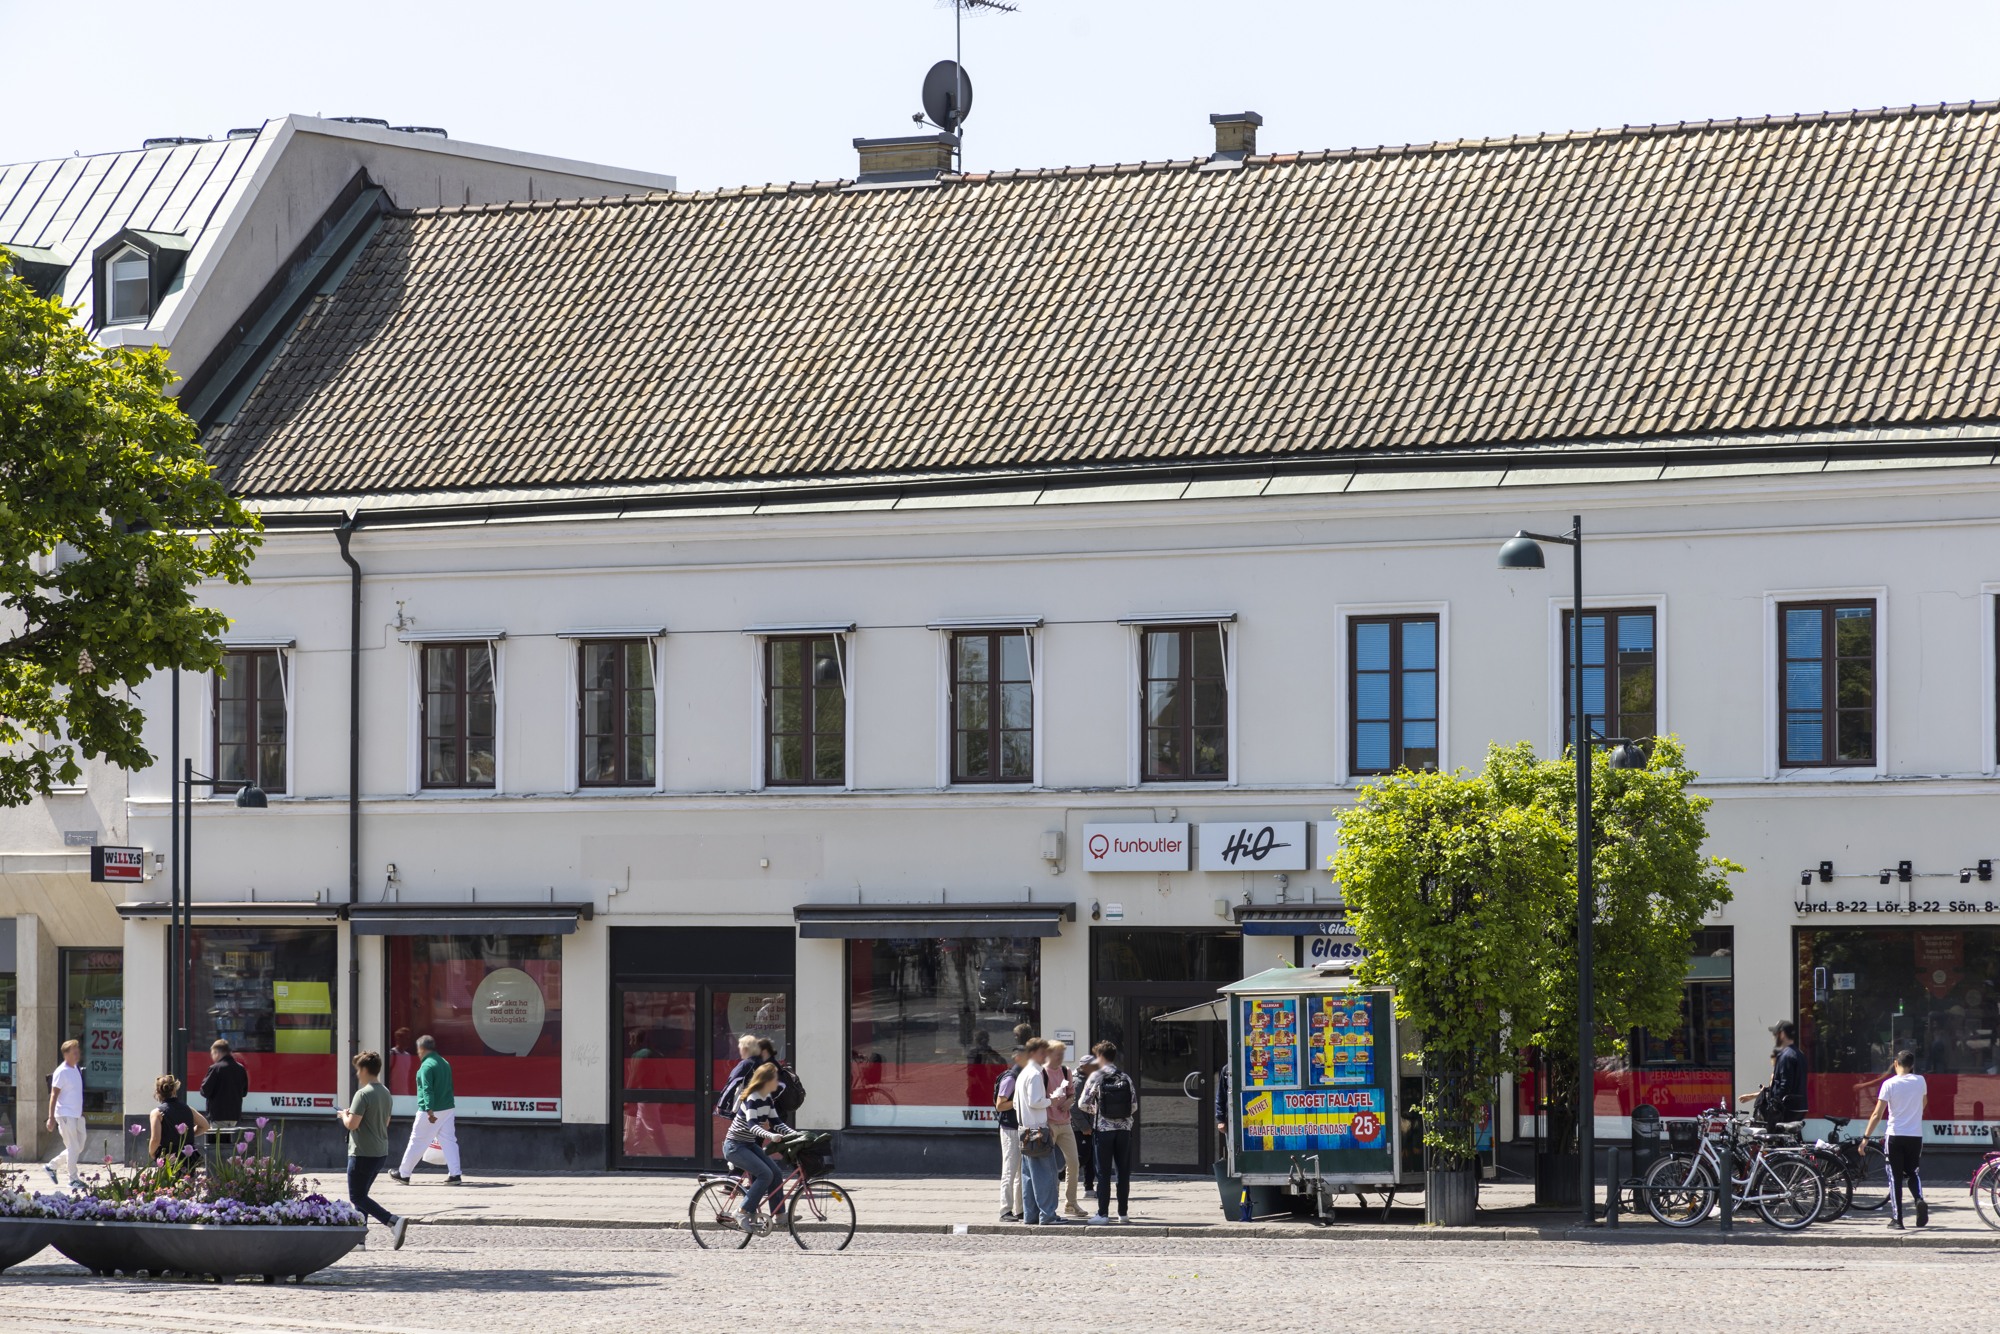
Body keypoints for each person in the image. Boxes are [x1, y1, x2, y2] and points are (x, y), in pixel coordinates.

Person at [336, 1051, 408, 1250]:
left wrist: (343, 1115)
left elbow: (352, 1124)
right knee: (363, 1195)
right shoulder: (385, 1092)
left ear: (365, 1070)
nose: (357, 1074)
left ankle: (392, 1221)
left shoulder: (363, 1094)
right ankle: (359, 1240)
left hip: (362, 1151)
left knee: (357, 1196)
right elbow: (385, 1122)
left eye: (358, 1070)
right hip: (380, 1151)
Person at [723, 1062, 793, 1232]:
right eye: (775, 1079)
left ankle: (779, 1215)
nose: (777, 1083)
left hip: (748, 1144)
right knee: (765, 1174)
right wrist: (771, 1136)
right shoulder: (752, 1098)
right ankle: (742, 1211)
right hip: (735, 1146)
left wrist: (796, 1134)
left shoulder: (767, 1098)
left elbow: (777, 1122)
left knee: (775, 1172)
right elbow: (753, 1125)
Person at [1862, 1050, 1928, 1229]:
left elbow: (1877, 1113)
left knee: (1895, 1177)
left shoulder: (1888, 1084)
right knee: (1913, 1172)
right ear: (1912, 1065)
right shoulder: (1920, 1081)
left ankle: (1897, 1219)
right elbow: (1924, 1103)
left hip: (1895, 1135)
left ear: (1895, 1063)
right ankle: (1919, 1199)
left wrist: (1866, 1137)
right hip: (1915, 1135)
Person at [1080, 1040, 1137, 1224]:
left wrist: (1099, 1112)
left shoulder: (1096, 1076)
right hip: (1124, 1130)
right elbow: (1134, 1106)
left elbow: (1083, 1103)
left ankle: (1102, 1214)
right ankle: (1123, 1214)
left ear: (1101, 1057)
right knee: (1123, 1172)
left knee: (1103, 1173)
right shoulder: (1125, 1077)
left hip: (1103, 1131)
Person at [393, 1035, 460, 1184]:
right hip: (447, 1108)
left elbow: (427, 1090)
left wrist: (429, 1110)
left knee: (417, 1140)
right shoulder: (444, 1062)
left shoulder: (427, 1066)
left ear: (422, 1049)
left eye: (418, 1050)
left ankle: (404, 1174)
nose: (417, 1053)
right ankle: (455, 1174)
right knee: (449, 1141)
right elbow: (449, 1086)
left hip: (430, 1110)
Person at [1016, 1038, 1066, 1225]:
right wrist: (1051, 1101)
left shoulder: (1023, 1074)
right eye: (1043, 1052)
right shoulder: (1036, 1074)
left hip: (1025, 1128)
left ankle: (1031, 1215)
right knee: (1046, 1175)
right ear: (1034, 1053)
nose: (1046, 1056)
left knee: (1029, 1175)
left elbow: (1016, 1104)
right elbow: (1035, 1101)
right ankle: (1048, 1215)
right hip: (1037, 1129)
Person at [1044, 1040, 1087, 1218]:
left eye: (1063, 1054)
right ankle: (1048, 1205)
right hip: (1049, 1124)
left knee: (1073, 1163)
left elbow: (1072, 1094)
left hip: (1065, 1123)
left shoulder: (1065, 1071)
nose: (1061, 1057)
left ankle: (1071, 1203)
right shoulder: (1041, 1073)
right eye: (1058, 1054)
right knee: (1048, 1167)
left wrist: (1069, 1102)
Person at [1738, 1019, 1807, 1122]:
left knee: (1764, 1130)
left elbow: (1784, 1084)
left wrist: (1773, 1102)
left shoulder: (1785, 1056)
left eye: (1775, 1034)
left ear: (1782, 1034)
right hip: (1801, 1107)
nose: (1773, 1037)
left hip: (1787, 1109)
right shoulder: (1800, 1054)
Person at [44, 1039, 86, 1190]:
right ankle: (73, 1179)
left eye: (78, 1051)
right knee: (73, 1147)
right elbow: (54, 1096)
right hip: (65, 1114)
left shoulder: (76, 1068)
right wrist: (51, 1118)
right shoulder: (61, 1072)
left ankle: (52, 1165)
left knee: (78, 1146)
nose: (77, 1054)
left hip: (77, 1114)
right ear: (66, 1054)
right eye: (74, 1052)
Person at [994, 1044, 1027, 1222]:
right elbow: (1000, 1105)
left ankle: (1020, 1209)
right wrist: (1020, 1102)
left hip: (1019, 1127)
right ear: (1018, 1058)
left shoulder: (1021, 1076)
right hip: (1009, 1129)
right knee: (1009, 1169)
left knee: (1021, 1171)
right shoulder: (1011, 1078)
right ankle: (1005, 1210)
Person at [149, 1074, 210, 1161]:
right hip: (188, 1156)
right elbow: (205, 1126)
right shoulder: (189, 1109)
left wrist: (152, 1153)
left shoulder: (157, 1113)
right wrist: (187, 1134)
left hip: (168, 1156)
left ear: (157, 1091)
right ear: (174, 1090)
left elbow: (155, 1139)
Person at [200, 1039, 250, 1128]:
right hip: (234, 1116)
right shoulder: (240, 1068)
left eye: (212, 1054)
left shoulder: (215, 1068)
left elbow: (205, 1091)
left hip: (218, 1115)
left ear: (217, 1053)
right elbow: (244, 1093)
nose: (212, 1057)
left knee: (218, 1141)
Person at [1070, 1053, 1099, 1197]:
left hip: (1090, 1124)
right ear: (1084, 1066)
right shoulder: (1078, 1082)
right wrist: (1084, 1127)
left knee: (1090, 1158)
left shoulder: (1089, 1079)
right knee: (1082, 1157)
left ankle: (1089, 1188)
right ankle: (1059, 1177)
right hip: (1079, 1127)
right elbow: (1074, 1108)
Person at [714, 1034, 761, 1117]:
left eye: (740, 1048)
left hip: (745, 1106)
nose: (739, 1051)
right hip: (761, 1106)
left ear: (745, 1049)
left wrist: (722, 1104)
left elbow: (732, 1084)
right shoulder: (762, 1063)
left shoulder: (745, 1064)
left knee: (739, 1128)